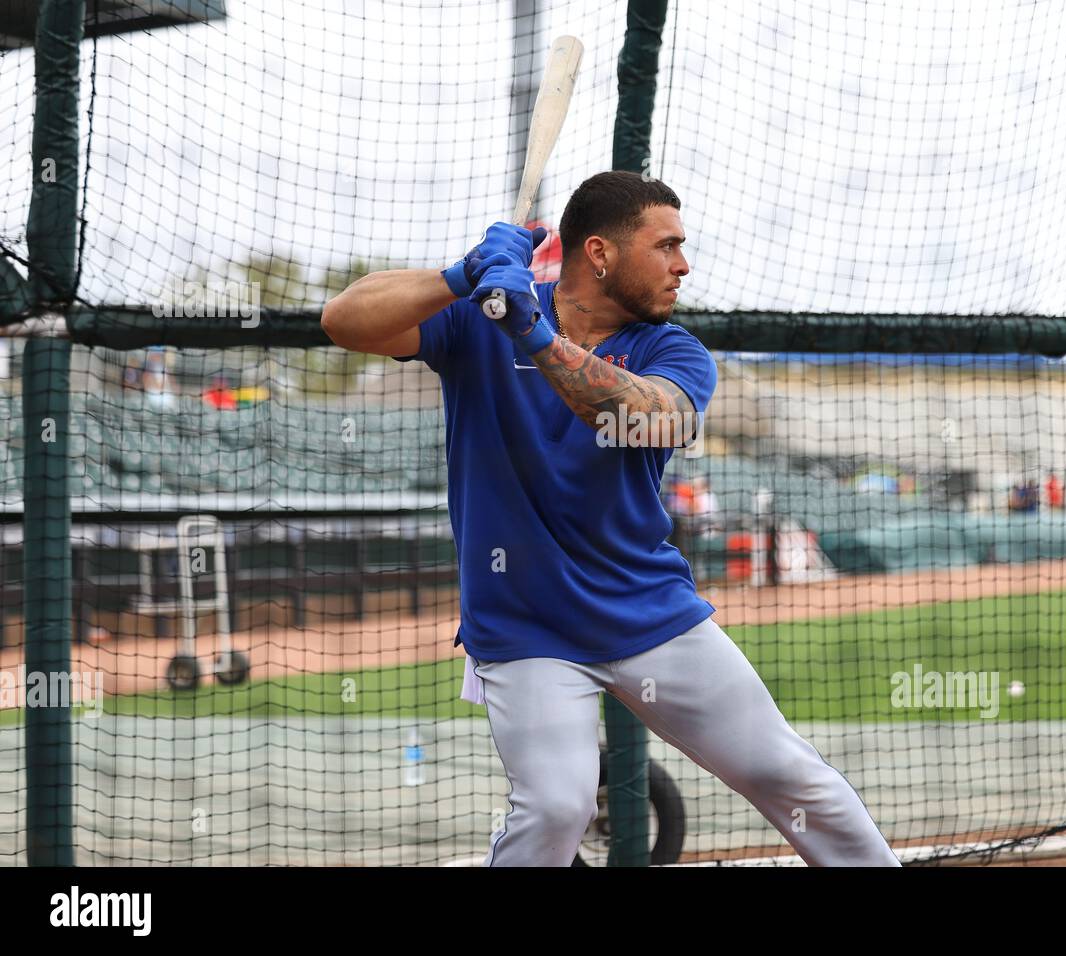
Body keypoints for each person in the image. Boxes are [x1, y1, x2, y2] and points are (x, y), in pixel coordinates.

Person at [321, 170, 899, 867]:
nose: (683, 265)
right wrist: (459, 275)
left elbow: (636, 415)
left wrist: (532, 333)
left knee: (791, 775)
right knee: (555, 808)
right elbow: (343, 320)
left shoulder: (670, 349)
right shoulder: (481, 317)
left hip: (648, 612)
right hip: (524, 625)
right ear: (599, 253)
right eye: (667, 247)